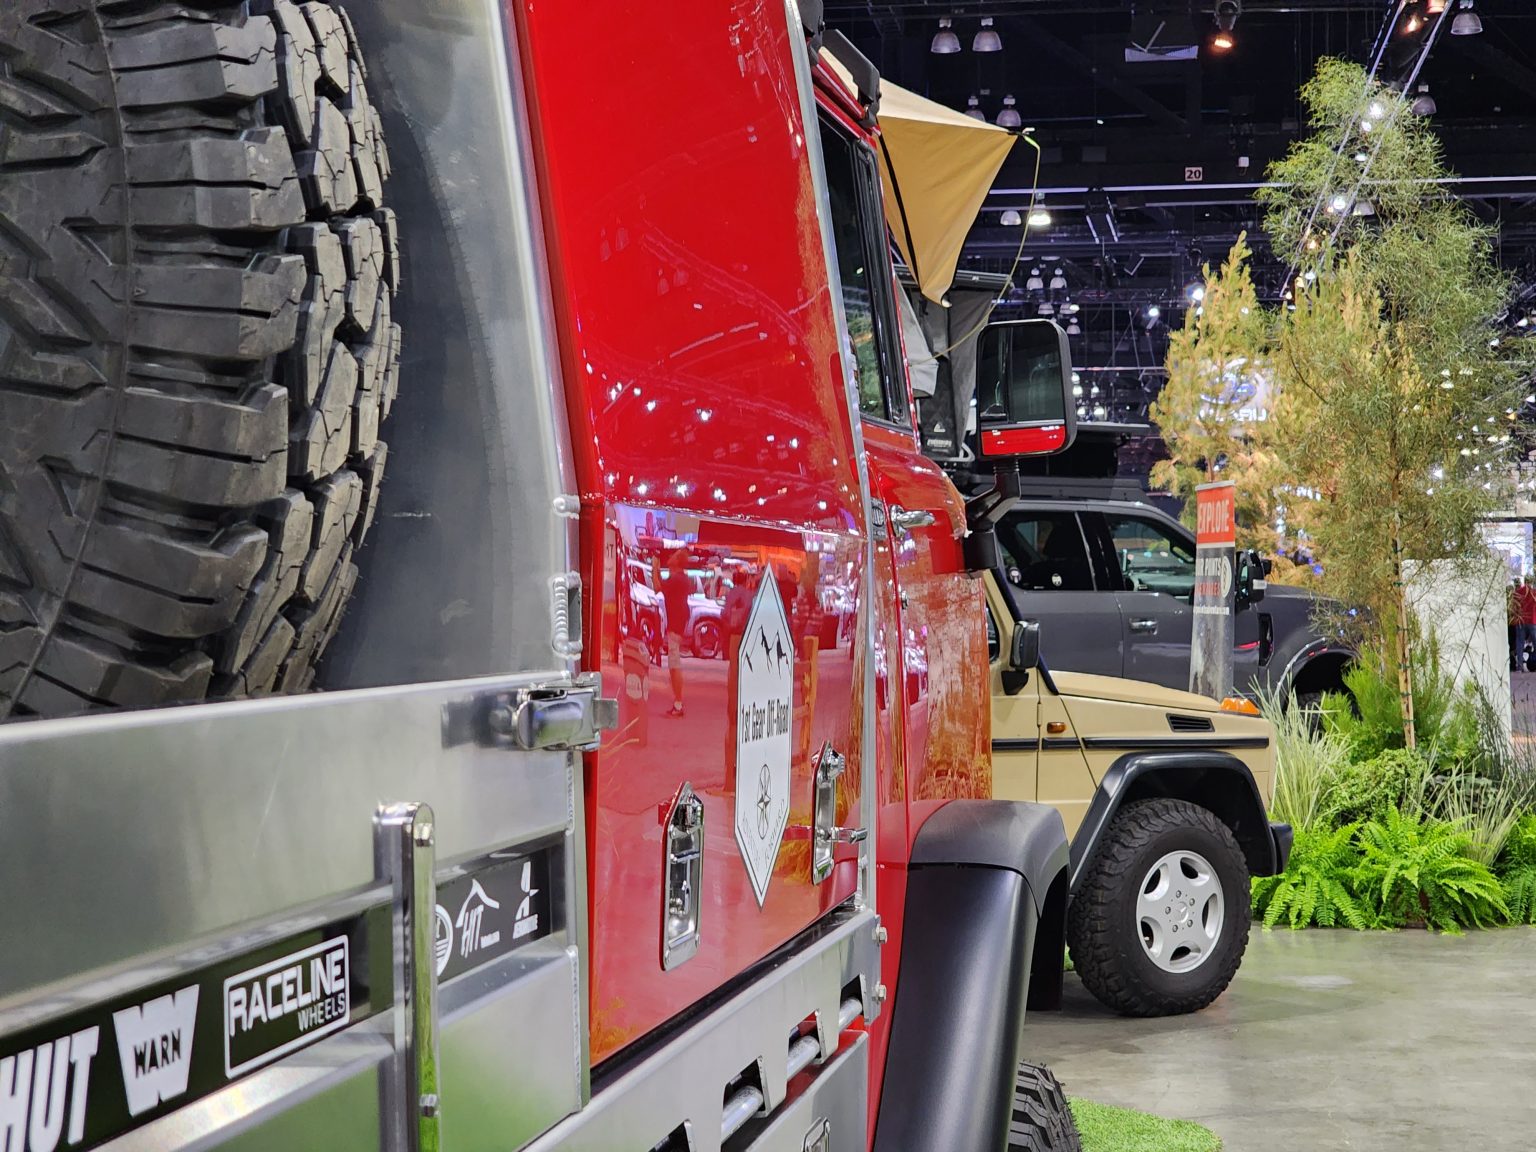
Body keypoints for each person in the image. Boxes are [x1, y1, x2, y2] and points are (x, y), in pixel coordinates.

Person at [653, 550, 692, 717]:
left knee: (674, 664)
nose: (669, 557)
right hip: (678, 622)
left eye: (673, 555)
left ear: (677, 561)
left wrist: (655, 568)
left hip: (676, 624)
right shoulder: (681, 578)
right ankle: (677, 701)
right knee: (674, 663)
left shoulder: (677, 579)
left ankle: (678, 702)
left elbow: (657, 587)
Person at [1517, 575, 1536, 674]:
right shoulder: (1534, 592)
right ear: (1532, 581)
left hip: (1521, 621)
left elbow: (1515, 604)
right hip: (1532, 621)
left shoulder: (1518, 592)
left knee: (1520, 644)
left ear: (1525, 581)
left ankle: (1519, 667)